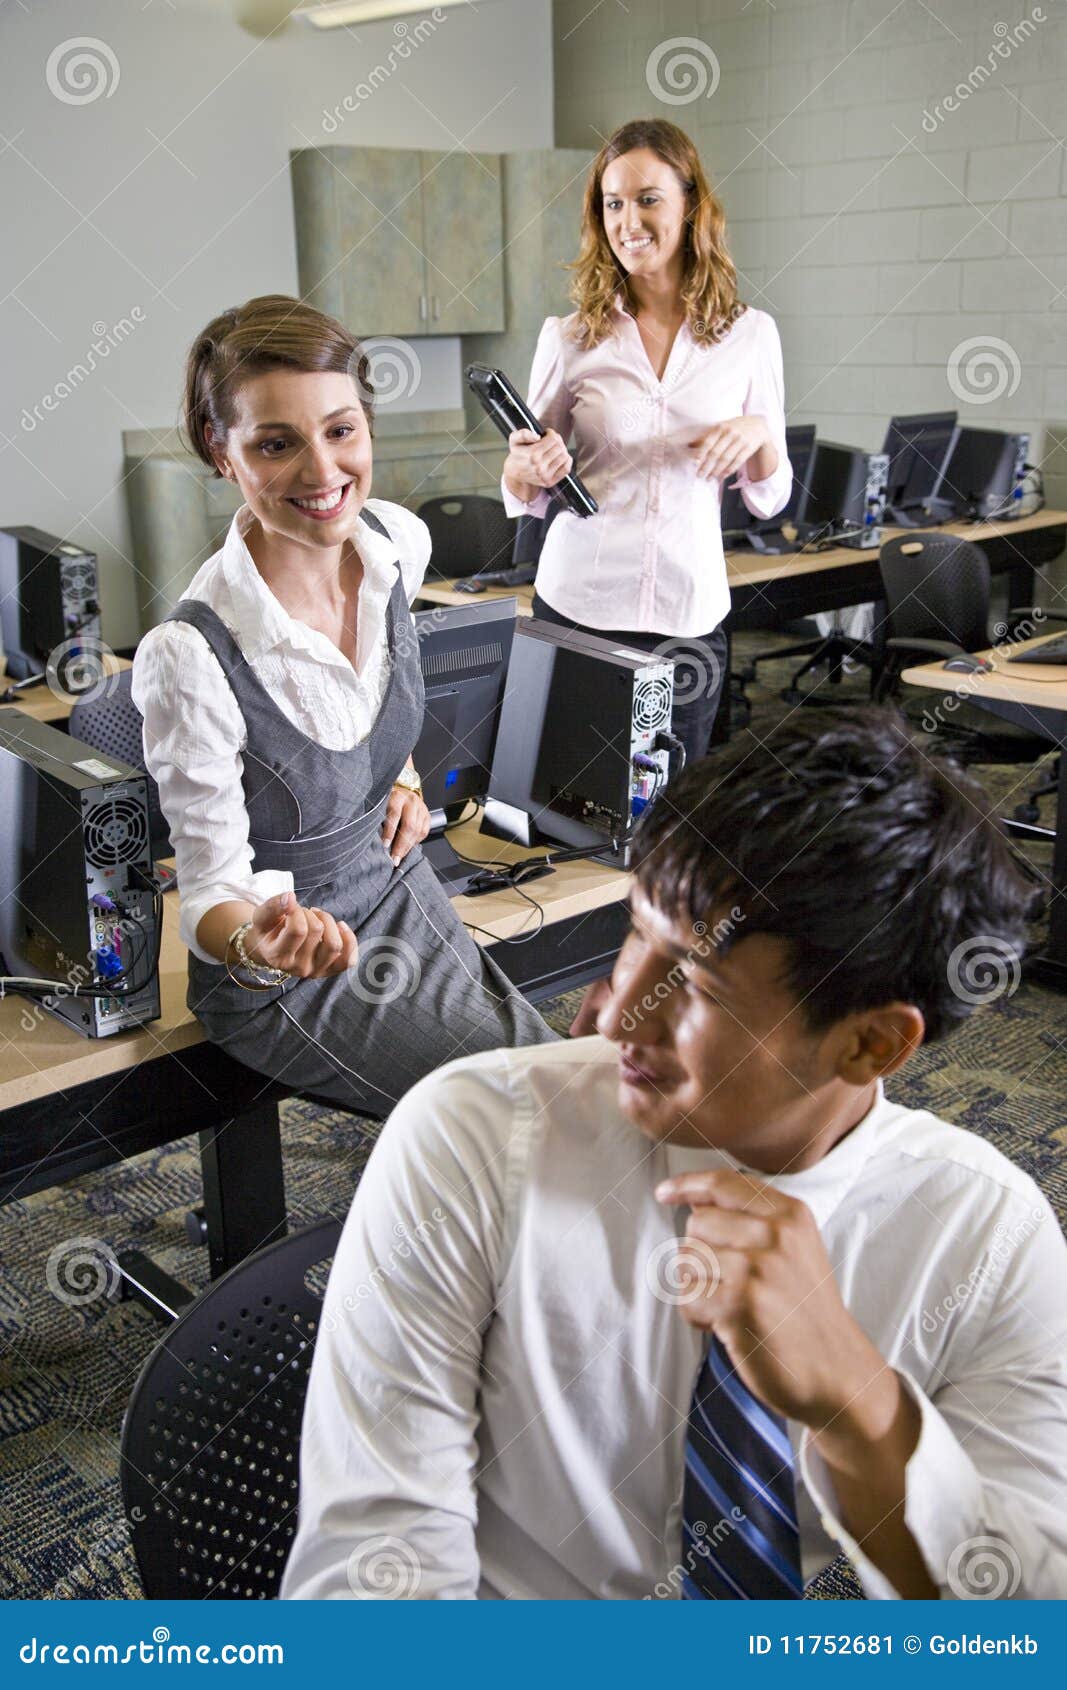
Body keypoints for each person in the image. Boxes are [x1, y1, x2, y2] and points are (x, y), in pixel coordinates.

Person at [280, 707, 1067, 1601]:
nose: (615, 1016)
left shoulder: (986, 1235)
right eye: (634, 937)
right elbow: (374, 1574)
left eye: (692, 987)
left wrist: (859, 1406)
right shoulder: (475, 1136)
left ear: (872, 1046)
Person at [132, 295, 556, 1119]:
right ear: (223, 455)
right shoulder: (190, 654)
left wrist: (395, 774)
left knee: (549, 1073)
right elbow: (212, 885)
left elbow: (361, 705)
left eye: (341, 430)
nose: (323, 474)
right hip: (288, 967)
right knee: (532, 1109)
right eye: (275, 444)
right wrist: (259, 940)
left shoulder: (395, 542)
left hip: (395, 881)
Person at [501, 116, 792, 767]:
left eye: (647, 199)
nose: (627, 220)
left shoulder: (749, 336)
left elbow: (771, 498)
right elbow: (524, 488)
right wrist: (523, 464)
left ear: (691, 206)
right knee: (567, 796)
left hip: (687, 612)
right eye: (612, 203)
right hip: (578, 604)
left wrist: (758, 433)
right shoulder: (570, 336)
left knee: (669, 809)